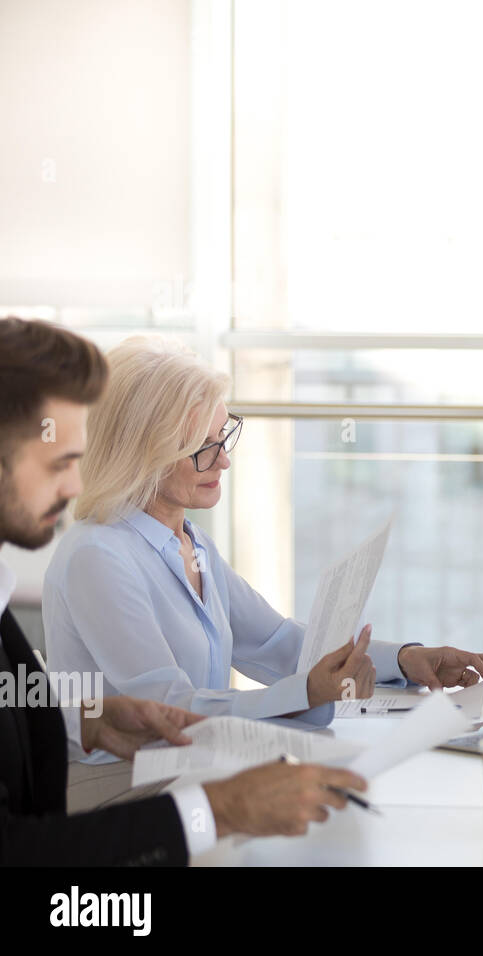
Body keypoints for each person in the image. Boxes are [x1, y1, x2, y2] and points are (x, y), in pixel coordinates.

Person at [42, 336, 483, 803]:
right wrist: (307, 693)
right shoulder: (98, 557)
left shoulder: (189, 542)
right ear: (141, 452)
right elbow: (168, 711)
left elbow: (277, 643)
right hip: (125, 790)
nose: (224, 459)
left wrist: (403, 659)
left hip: (195, 769)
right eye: (202, 447)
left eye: (224, 436)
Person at [1, 316, 370, 865]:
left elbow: (275, 641)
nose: (77, 486)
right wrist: (216, 810)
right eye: (61, 463)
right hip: (115, 815)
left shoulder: (6, 603)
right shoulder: (95, 555)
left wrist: (91, 720)